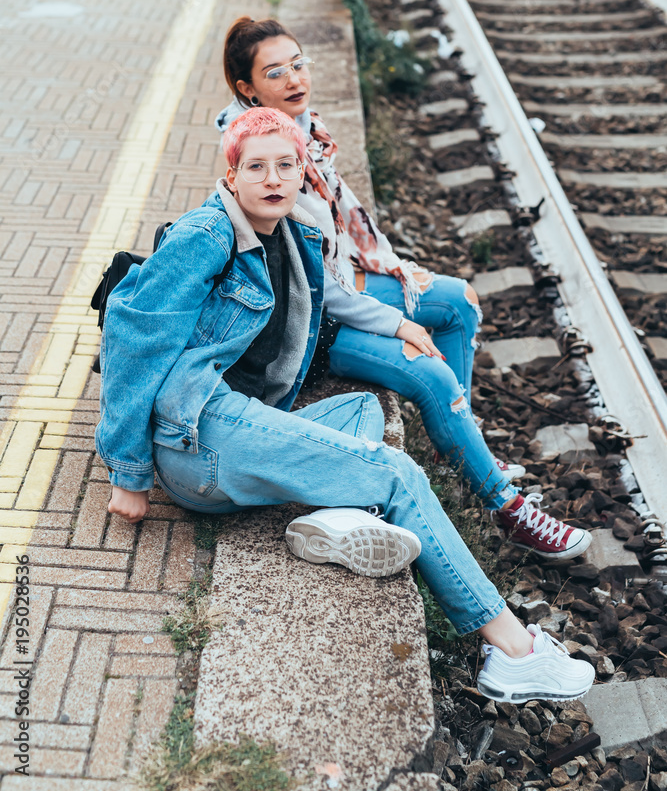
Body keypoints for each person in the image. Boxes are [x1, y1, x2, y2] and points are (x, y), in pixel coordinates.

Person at [98, 106, 594, 703]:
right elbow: (131, 338)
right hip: (197, 437)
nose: (274, 178)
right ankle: (511, 650)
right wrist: (127, 473)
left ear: (303, 174)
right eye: (257, 167)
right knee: (395, 471)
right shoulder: (205, 236)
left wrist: (400, 327)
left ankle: (341, 520)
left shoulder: (295, 235)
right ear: (231, 177)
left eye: (286, 165)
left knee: (362, 411)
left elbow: (336, 299)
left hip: (239, 427)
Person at [216, 17, 592, 561]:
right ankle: (507, 508)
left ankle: (459, 448)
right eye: (277, 72)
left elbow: (340, 237)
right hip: (312, 326)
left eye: (299, 63)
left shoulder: (305, 134)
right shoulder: (265, 164)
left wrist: (393, 269)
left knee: (458, 302)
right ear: (247, 89)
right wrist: (398, 321)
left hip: (340, 286)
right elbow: (320, 291)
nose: (296, 78)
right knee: (428, 368)